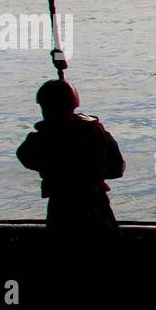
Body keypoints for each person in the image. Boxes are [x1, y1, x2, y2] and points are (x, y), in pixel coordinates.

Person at [17, 78, 125, 242]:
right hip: (97, 208)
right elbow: (117, 169)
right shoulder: (96, 131)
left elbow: (26, 157)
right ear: (73, 104)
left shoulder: (41, 138)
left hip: (61, 210)